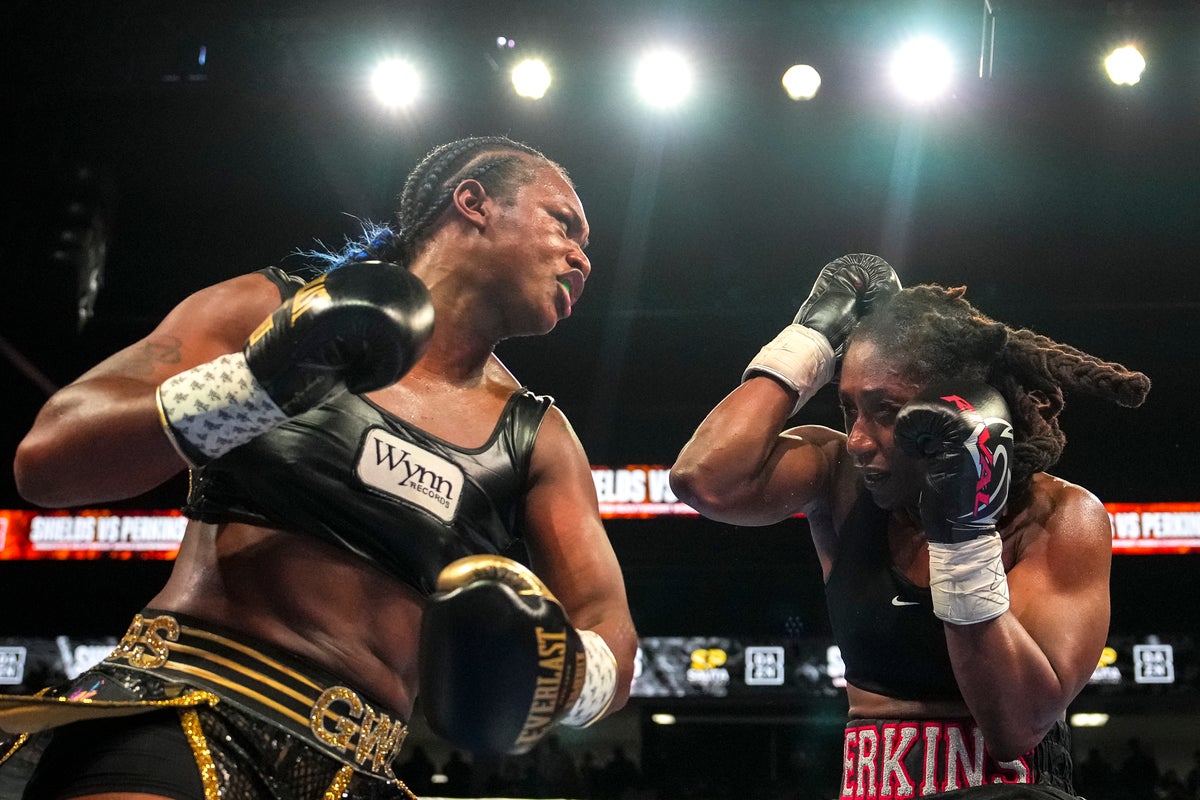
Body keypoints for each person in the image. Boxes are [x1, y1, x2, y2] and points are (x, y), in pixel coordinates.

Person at [1, 135, 638, 799]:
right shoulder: (273, 309)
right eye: (562, 222)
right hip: (184, 709)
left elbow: (612, 634)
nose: (581, 257)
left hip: (358, 772)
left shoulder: (539, 437)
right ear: (473, 203)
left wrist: (562, 668)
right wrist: (255, 383)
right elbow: (48, 460)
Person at [670, 254, 1151, 799]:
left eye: (887, 410)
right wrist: (809, 339)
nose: (857, 438)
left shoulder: (1058, 517)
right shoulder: (839, 476)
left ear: (959, 408)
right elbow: (704, 481)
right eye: (850, 407)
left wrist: (964, 535)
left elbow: (1017, 726)